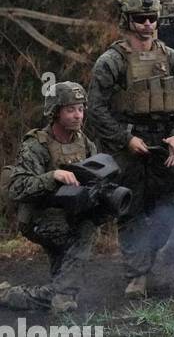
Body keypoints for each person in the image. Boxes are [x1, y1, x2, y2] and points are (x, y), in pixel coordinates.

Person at [86, 0, 174, 300]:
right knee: (131, 208)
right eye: (140, 19)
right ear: (128, 21)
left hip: (164, 142)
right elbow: (96, 110)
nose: (147, 24)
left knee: (173, 202)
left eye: (152, 18)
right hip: (129, 144)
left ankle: (146, 258)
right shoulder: (111, 62)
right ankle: (137, 274)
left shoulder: (172, 59)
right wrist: (125, 138)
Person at [0, 82, 100, 315]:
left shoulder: (84, 142)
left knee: (64, 286)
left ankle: (11, 295)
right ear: (55, 112)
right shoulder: (36, 145)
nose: (78, 115)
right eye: (70, 110)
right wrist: (52, 176)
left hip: (70, 212)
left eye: (81, 109)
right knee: (87, 231)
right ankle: (62, 293)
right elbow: (17, 188)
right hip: (41, 217)